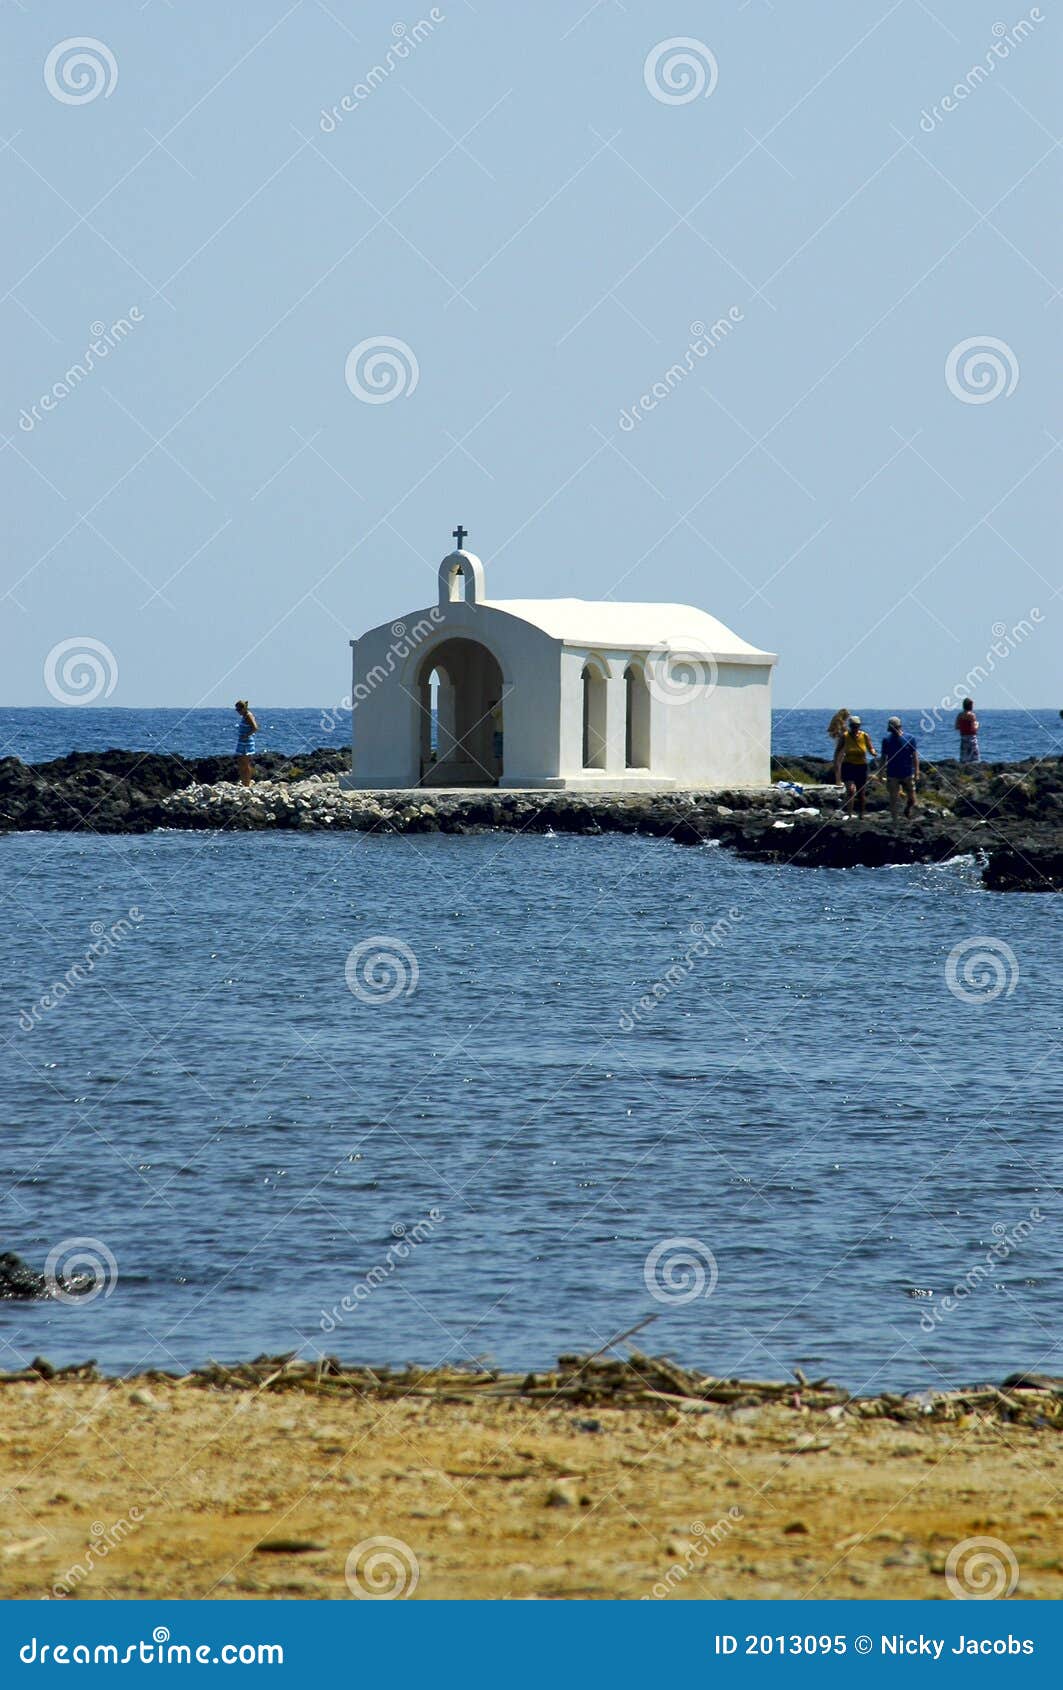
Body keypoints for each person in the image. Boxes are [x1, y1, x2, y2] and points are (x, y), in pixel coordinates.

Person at [834, 713, 876, 817]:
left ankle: (861, 814)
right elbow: (838, 750)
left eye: (857, 726)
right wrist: (836, 762)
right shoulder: (845, 736)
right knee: (851, 790)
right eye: (853, 726)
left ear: (859, 726)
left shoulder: (864, 736)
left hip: (861, 766)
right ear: (850, 726)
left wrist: (873, 752)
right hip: (848, 766)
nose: (855, 728)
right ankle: (849, 814)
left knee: (861, 793)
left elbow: (870, 747)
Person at [880, 715, 919, 821]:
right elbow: (883, 757)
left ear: (899, 727)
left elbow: (915, 756)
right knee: (894, 798)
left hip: (907, 773)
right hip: (892, 773)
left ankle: (908, 810)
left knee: (912, 799)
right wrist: (880, 773)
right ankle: (895, 820)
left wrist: (917, 772)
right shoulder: (886, 740)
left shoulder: (910, 738)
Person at [234, 699, 258, 786]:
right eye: (236, 709)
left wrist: (246, 735)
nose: (238, 711)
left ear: (243, 708)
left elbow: (255, 727)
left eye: (239, 709)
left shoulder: (248, 716)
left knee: (245, 763)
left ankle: (247, 783)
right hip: (241, 742)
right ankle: (244, 782)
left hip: (246, 743)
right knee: (241, 763)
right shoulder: (244, 716)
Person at [954, 697, 980, 764]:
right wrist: (977, 724)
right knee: (974, 758)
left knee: (964, 758)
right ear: (970, 705)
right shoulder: (972, 715)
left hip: (963, 737)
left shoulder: (960, 715)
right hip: (971, 738)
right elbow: (974, 728)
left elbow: (956, 727)